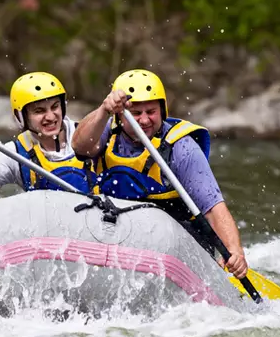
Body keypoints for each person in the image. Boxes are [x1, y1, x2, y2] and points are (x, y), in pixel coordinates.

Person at [71, 69, 249, 278]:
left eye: (151, 111)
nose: (145, 120)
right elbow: (80, 147)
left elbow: (212, 208)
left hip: (176, 248)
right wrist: (103, 110)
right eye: (136, 113)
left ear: (163, 110)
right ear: (120, 115)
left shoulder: (181, 147)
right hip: (119, 239)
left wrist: (234, 250)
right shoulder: (106, 131)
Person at [0, 72, 95, 196]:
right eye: (39, 111)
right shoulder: (14, 154)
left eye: (54, 107)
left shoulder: (92, 134)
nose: (50, 117)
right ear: (21, 117)